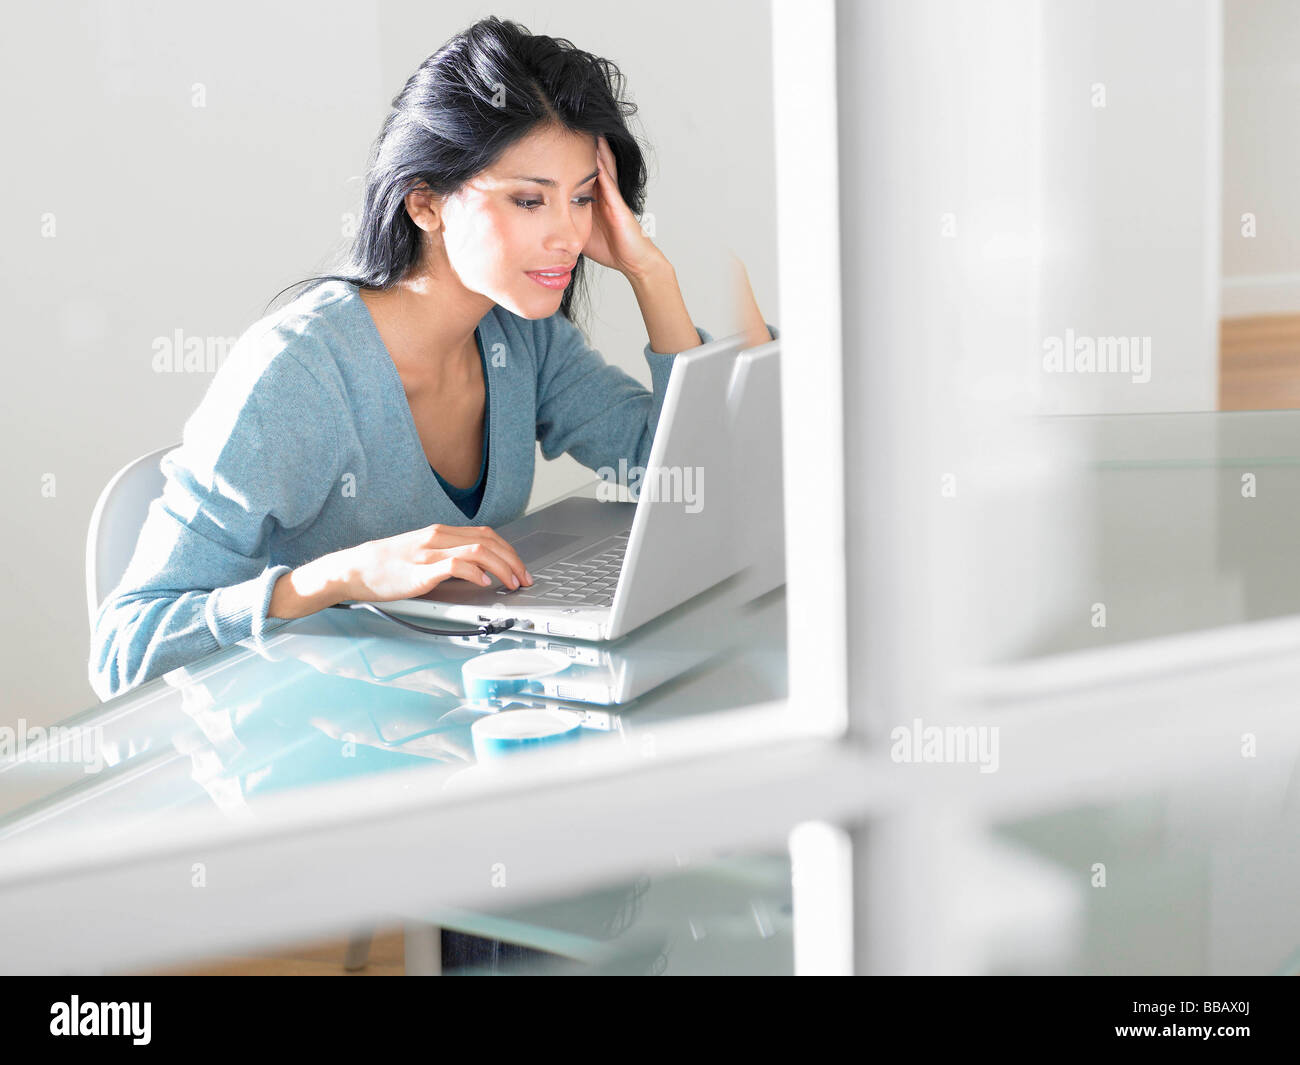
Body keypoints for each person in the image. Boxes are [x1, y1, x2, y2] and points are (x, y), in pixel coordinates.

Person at [89, 16, 773, 702]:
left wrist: (650, 275)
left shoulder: (520, 338)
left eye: (584, 198)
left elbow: (687, 481)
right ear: (426, 204)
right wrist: (340, 576)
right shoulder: (298, 373)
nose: (568, 234)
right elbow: (127, 646)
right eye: (529, 199)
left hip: (449, 716)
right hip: (304, 748)